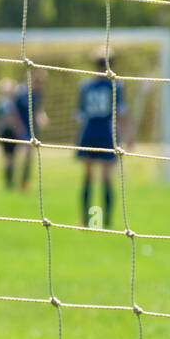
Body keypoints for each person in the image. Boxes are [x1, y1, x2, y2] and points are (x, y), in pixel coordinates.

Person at [76, 47, 127, 228]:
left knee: (88, 177)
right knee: (105, 177)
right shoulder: (115, 85)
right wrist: (125, 137)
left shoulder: (85, 86)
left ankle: (88, 219)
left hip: (89, 131)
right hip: (106, 131)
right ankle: (106, 221)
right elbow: (120, 114)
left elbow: (80, 115)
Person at [0, 69, 47, 191]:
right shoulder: (20, 92)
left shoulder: (37, 94)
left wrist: (41, 116)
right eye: (38, 82)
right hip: (17, 128)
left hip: (31, 128)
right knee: (11, 157)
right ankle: (9, 183)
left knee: (29, 155)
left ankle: (24, 183)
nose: (39, 85)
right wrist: (18, 127)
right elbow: (12, 110)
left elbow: (38, 109)